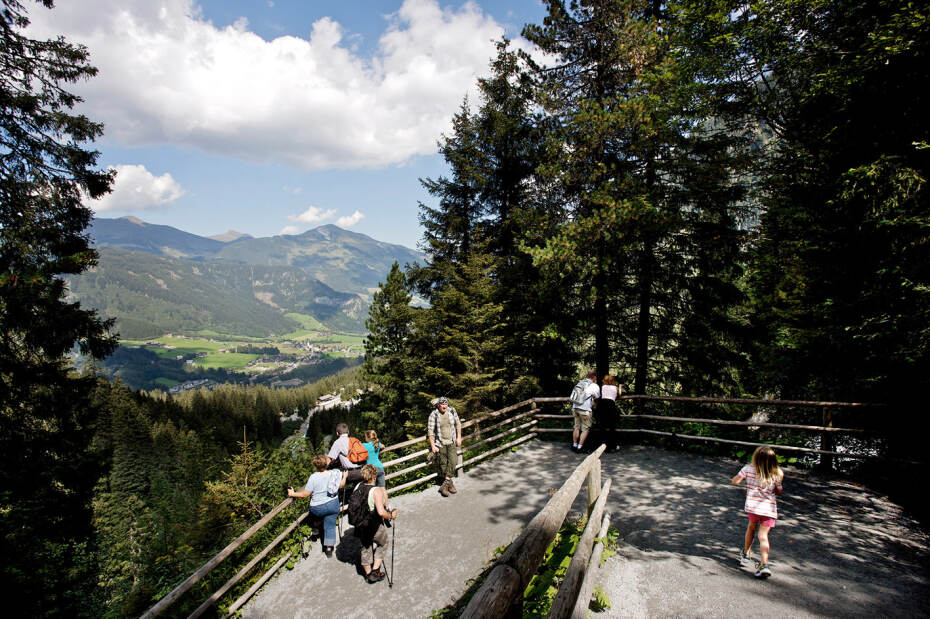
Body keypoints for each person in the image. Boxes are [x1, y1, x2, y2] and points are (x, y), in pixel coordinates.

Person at [732, 445, 784, 578]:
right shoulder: (777, 473)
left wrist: (744, 481)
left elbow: (735, 481)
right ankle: (764, 564)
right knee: (763, 536)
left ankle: (746, 553)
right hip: (768, 509)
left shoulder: (748, 469)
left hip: (753, 507)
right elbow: (779, 492)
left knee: (751, 528)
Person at [287, 454, 347, 558]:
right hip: (333, 504)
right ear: (327, 463)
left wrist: (292, 494)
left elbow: (305, 494)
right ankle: (329, 548)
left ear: (316, 465)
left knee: (315, 515)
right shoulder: (334, 473)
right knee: (330, 525)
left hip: (318, 508)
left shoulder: (313, 477)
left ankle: (316, 527)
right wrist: (345, 477)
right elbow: (341, 485)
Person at [355, 464, 398, 583]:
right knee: (383, 543)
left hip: (360, 524)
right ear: (374, 476)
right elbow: (380, 511)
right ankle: (375, 570)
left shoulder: (358, 486)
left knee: (365, 547)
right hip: (373, 525)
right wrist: (391, 515)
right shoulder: (376, 491)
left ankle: (368, 574)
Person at [427, 396, 462, 497]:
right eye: (442, 404)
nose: (444, 406)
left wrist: (459, 437)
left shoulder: (452, 411)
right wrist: (433, 445)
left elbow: (458, 424)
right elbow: (430, 431)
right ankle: (449, 484)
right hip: (440, 443)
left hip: (451, 441)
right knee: (443, 464)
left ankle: (444, 485)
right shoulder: (434, 415)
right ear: (438, 405)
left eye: (446, 404)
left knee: (454, 461)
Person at [571, 369, 600, 453]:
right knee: (585, 429)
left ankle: (574, 445)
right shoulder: (594, 386)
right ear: (594, 377)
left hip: (575, 407)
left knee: (576, 427)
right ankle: (580, 447)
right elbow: (597, 398)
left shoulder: (580, 383)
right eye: (596, 377)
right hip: (585, 409)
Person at [593, 375, 623, 451]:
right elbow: (619, 394)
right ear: (613, 381)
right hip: (610, 406)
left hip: (602, 406)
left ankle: (602, 445)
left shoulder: (603, 387)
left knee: (602, 426)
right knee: (612, 427)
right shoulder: (615, 388)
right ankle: (613, 445)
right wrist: (620, 387)